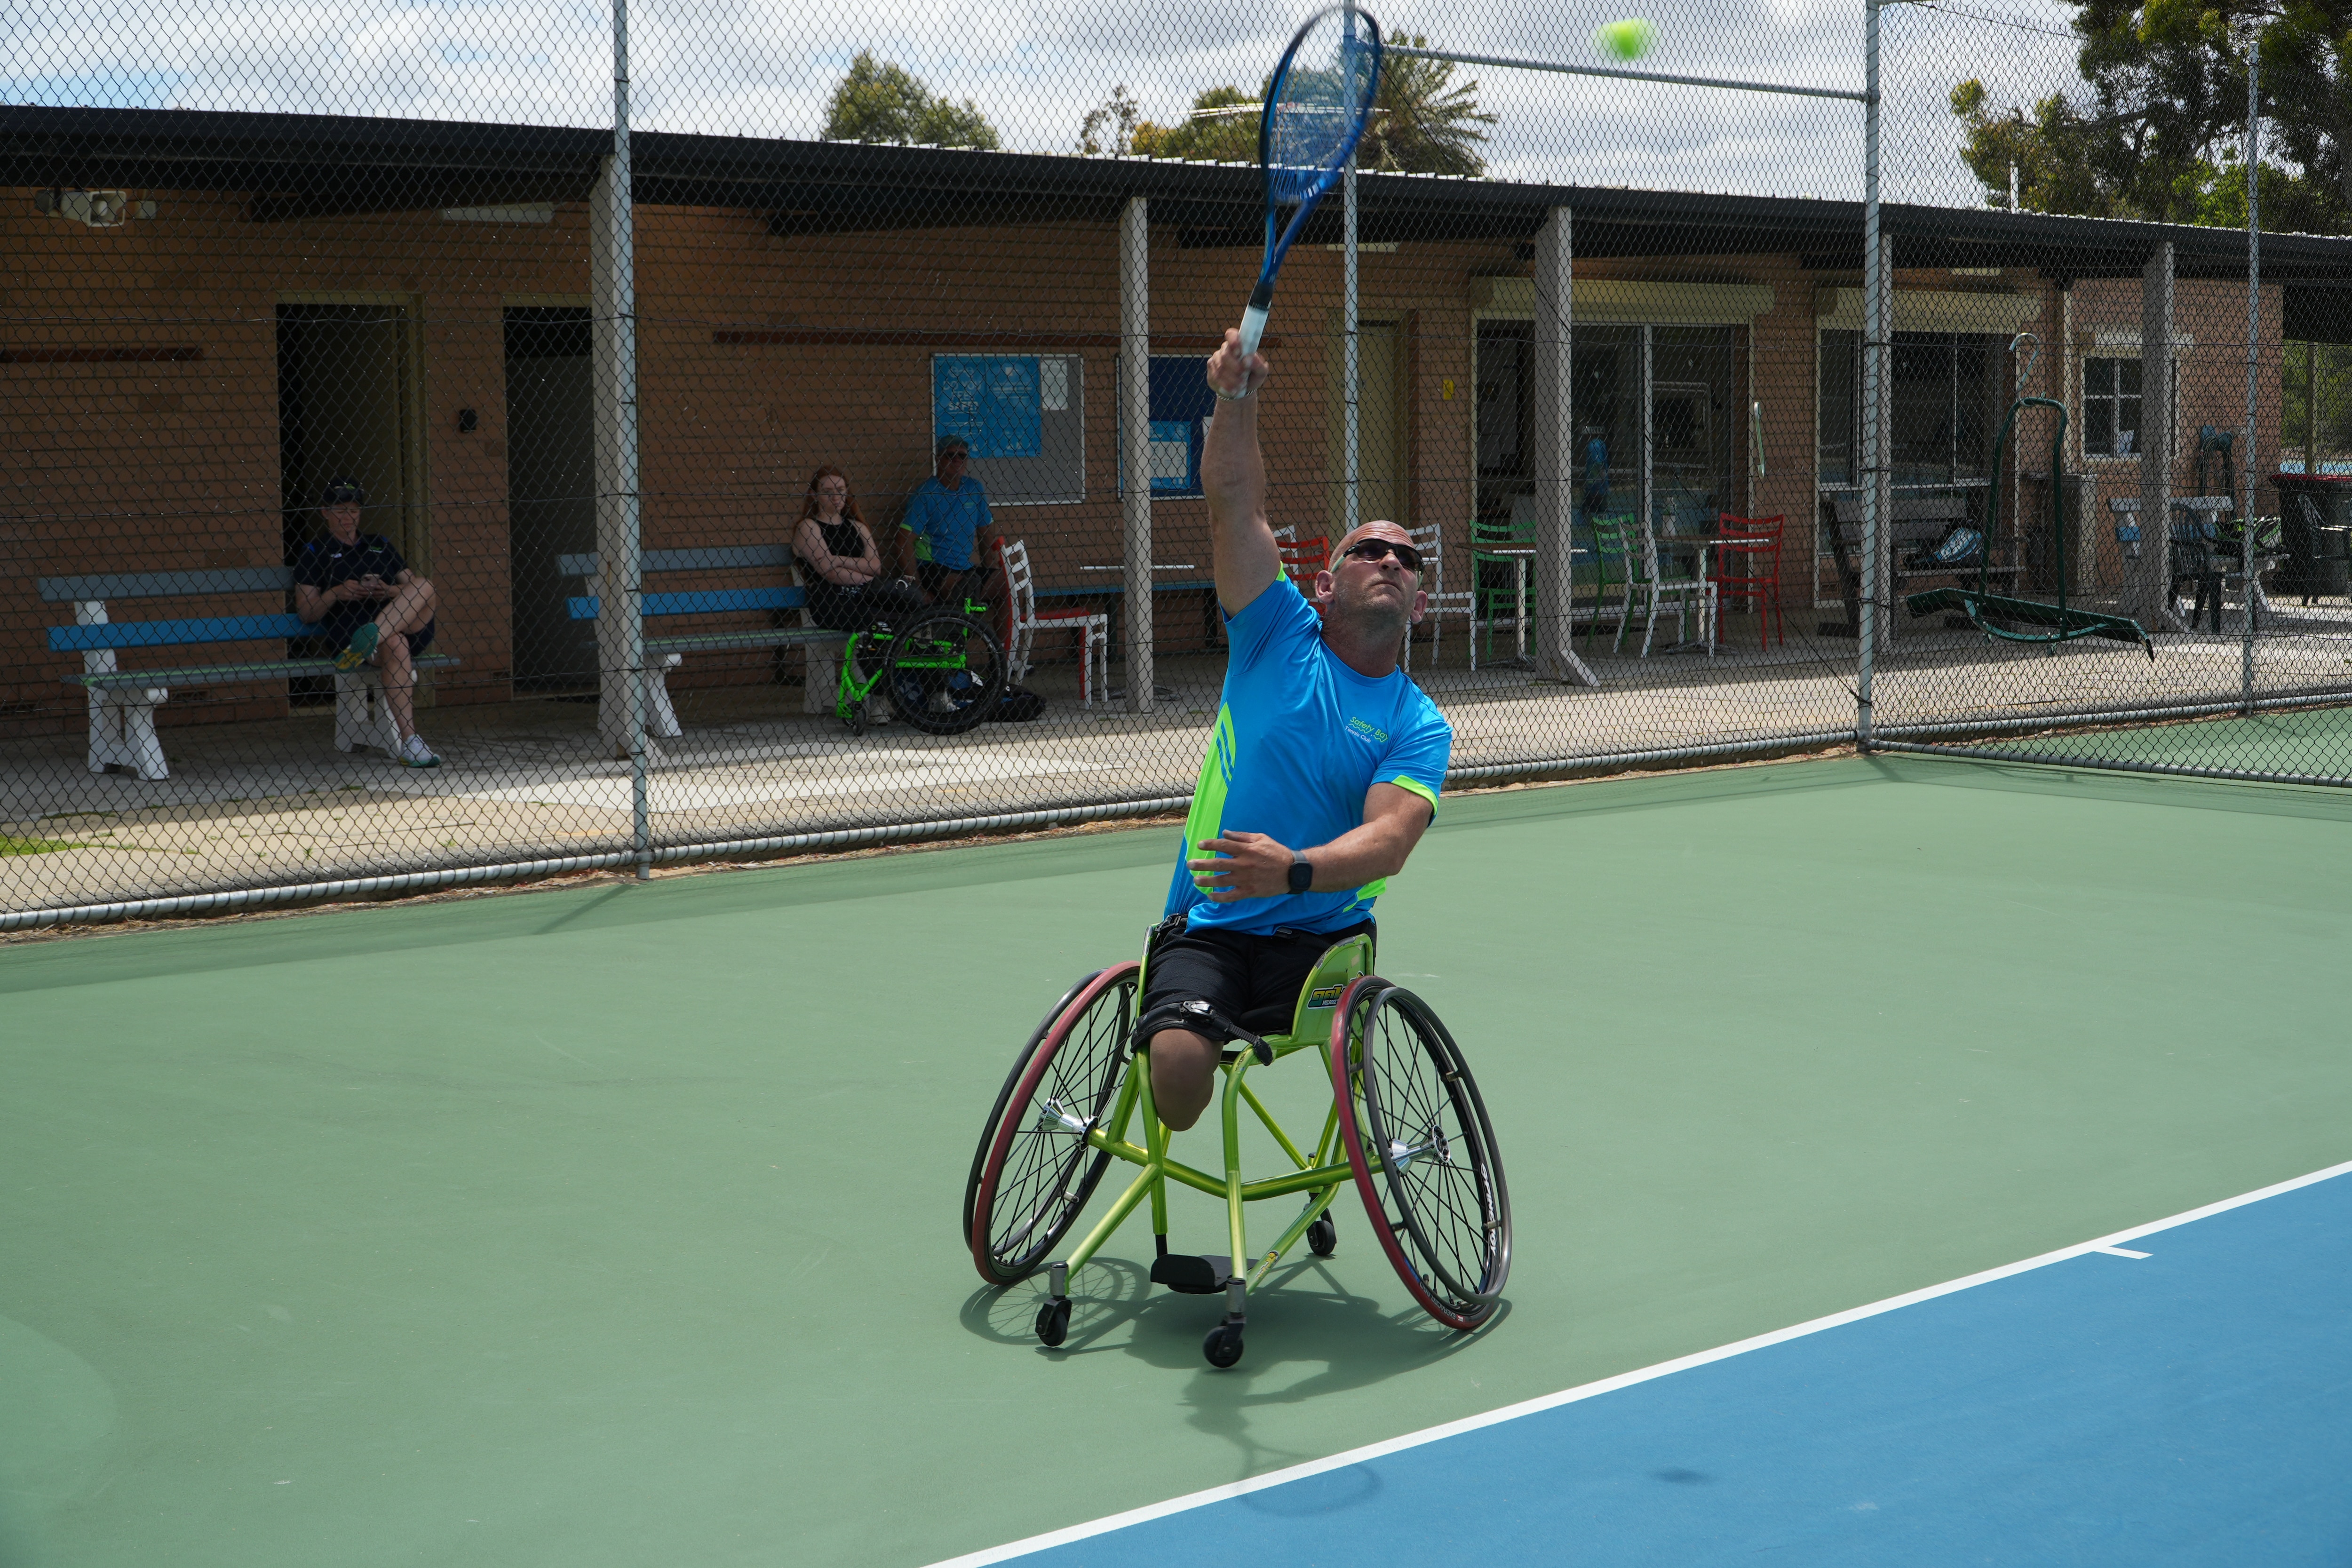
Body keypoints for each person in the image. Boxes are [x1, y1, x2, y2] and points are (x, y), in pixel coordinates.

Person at [1138, 330, 1454, 1133]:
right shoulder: (1276, 630)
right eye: (1370, 549)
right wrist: (1235, 396)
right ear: (1324, 582)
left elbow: (1388, 841)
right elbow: (1234, 501)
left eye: (1408, 559)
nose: (1391, 560)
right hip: (1211, 927)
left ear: (1419, 603)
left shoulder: (1418, 724)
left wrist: (1296, 871)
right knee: (1176, 1081)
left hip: (1322, 942)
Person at [292, 478, 441, 768]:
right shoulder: (314, 551)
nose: (348, 517)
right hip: (352, 629)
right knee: (395, 645)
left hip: (401, 622)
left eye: (354, 510)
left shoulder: (379, 543)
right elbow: (307, 612)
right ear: (325, 511)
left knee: (426, 586)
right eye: (340, 510)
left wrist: (387, 591)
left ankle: (375, 635)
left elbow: (413, 589)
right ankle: (411, 741)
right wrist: (337, 593)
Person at [898, 437, 1003, 613]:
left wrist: (990, 570)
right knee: (961, 587)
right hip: (933, 567)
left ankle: (1002, 643)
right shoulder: (926, 493)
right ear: (938, 459)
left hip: (966, 569)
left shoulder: (974, 489)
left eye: (962, 456)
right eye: (951, 455)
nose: (957, 460)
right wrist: (917, 587)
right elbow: (903, 541)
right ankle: (956, 636)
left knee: (1010, 586)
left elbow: (987, 536)